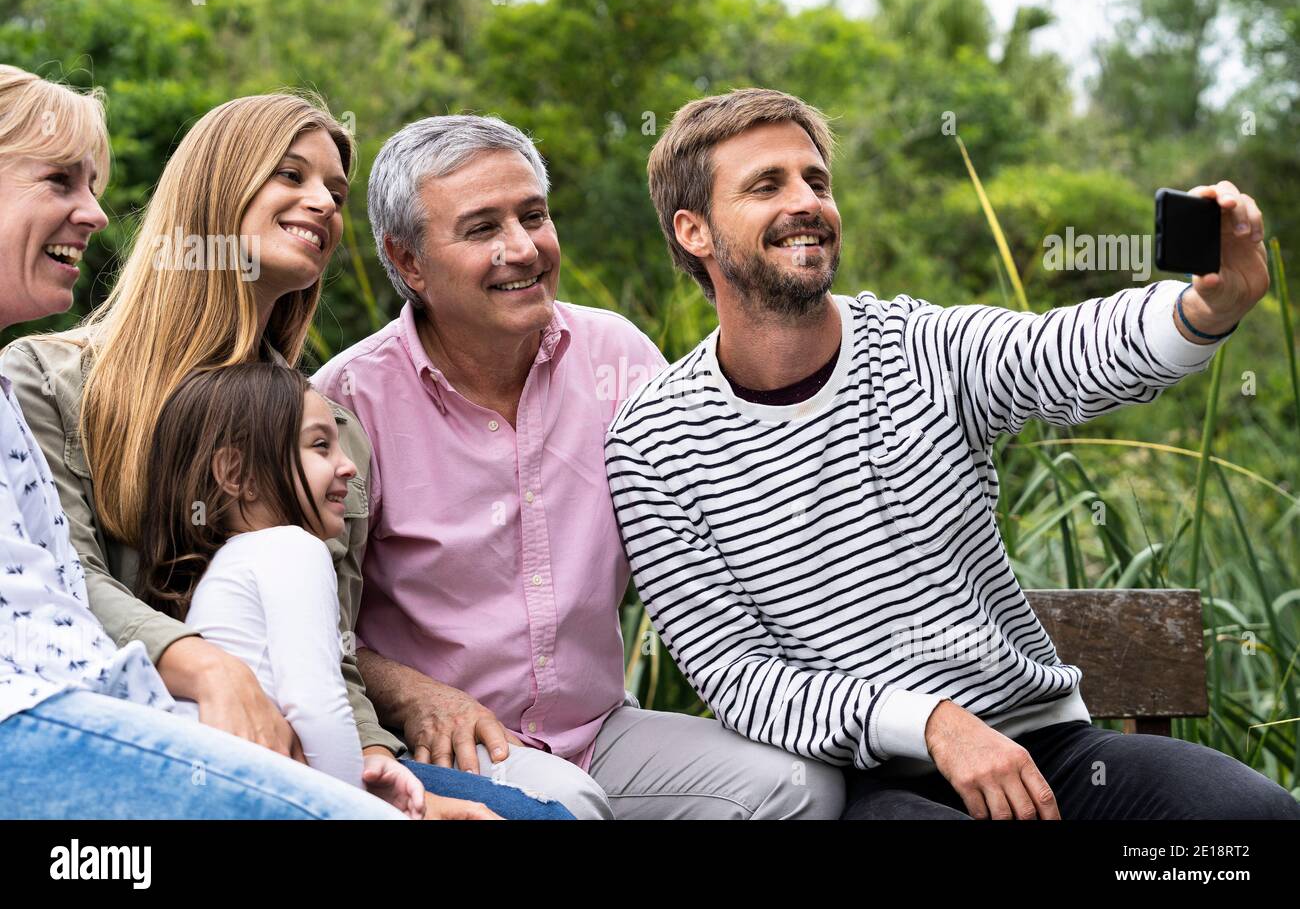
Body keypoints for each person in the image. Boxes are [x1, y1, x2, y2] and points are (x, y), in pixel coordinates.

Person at [606, 86, 1300, 819]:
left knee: (1250, 816)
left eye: (817, 180)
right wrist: (931, 722)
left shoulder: (921, 347)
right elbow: (743, 678)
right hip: (871, 786)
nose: (806, 202)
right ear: (695, 231)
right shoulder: (654, 442)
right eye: (765, 185)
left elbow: (1066, 351)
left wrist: (1199, 311)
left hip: (1045, 754)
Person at [0, 74, 565, 819]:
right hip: (148, 738)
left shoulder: (330, 428)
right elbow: (65, 583)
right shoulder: (47, 377)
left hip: (316, 753)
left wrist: (373, 761)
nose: (325, 203)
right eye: (291, 175)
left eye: (335, 189)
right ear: (215, 193)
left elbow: (329, 645)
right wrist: (207, 666)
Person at [312, 113, 845, 818]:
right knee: (568, 806)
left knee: (804, 786)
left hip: (600, 731)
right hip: (442, 744)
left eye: (533, 215)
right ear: (408, 261)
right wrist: (411, 694)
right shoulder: (347, 401)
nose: (523, 248)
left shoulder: (617, 358)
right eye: (482, 229)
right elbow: (314, 622)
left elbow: (729, 516)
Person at [135, 363, 431, 816]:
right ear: (236, 474)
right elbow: (317, 706)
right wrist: (353, 808)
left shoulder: (230, 562)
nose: (348, 466)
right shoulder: (294, 549)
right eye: (320, 446)